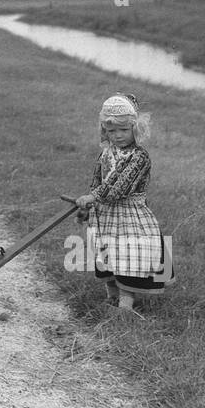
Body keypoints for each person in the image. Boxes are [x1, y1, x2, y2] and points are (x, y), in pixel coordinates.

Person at [74, 92, 171, 313]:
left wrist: (94, 196)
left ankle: (126, 305)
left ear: (135, 129)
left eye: (124, 130)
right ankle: (112, 297)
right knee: (106, 255)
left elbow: (120, 185)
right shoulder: (106, 154)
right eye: (111, 131)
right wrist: (88, 205)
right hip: (105, 214)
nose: (117, 136)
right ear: (104, 130)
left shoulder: (139, 157)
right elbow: (97, 181)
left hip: (128, 214)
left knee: (129, 257)